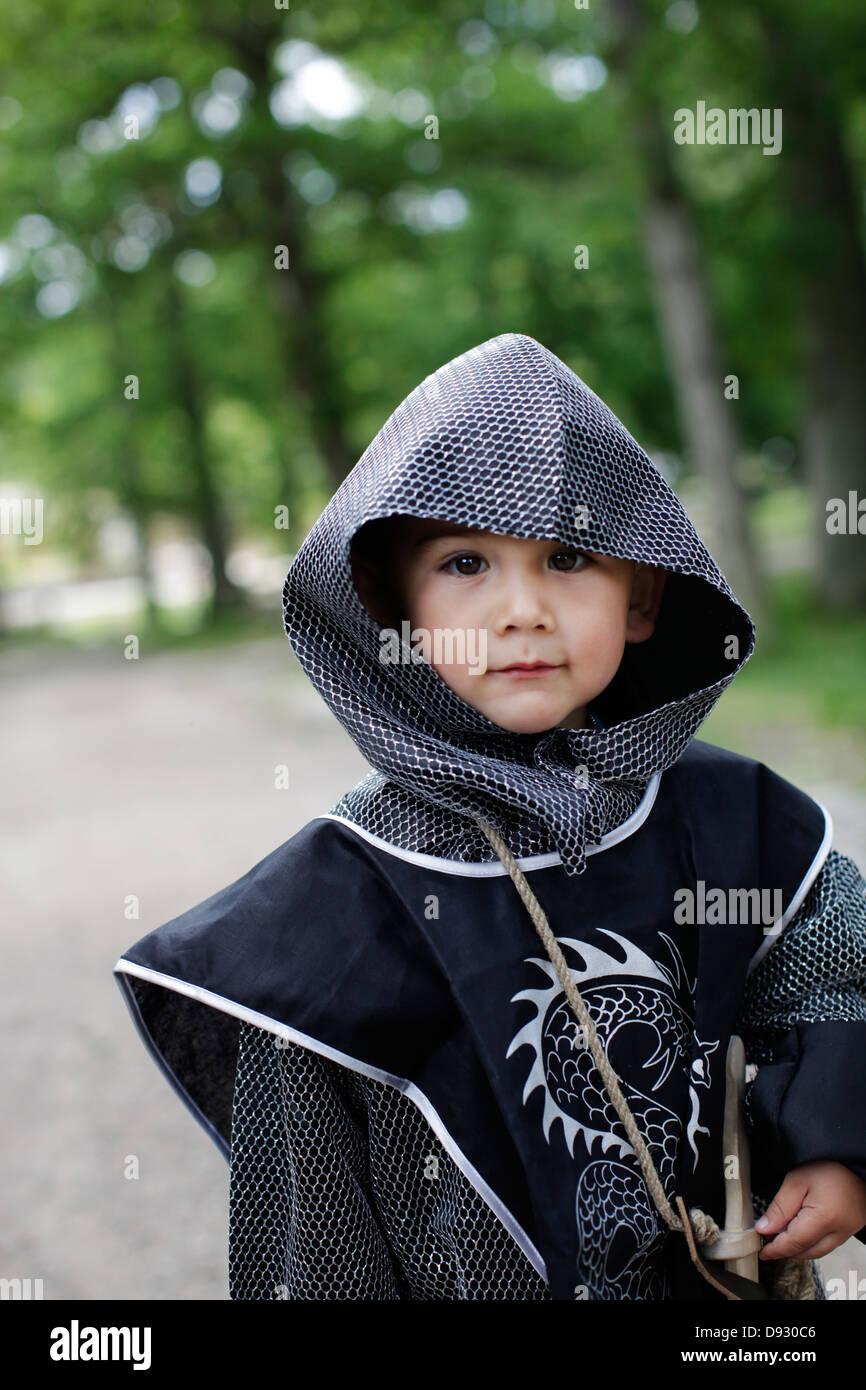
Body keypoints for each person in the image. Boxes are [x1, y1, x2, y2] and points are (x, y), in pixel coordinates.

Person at [114, 332, 866, 1301]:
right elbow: (312, 1241)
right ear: (390, 605)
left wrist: (831, 1144)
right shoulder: (325, 916)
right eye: (465, 562)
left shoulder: (735, 820)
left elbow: (825, 980)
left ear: (641, 591)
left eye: (565, 556)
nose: (521, 610)